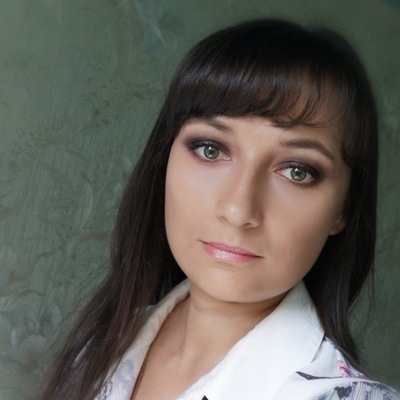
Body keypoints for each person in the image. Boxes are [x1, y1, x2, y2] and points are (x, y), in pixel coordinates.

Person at [40, 18, 399, 400]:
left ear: (343, 209)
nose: (238, 210)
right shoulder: (100, 347)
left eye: (297, 171)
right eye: (210, 150)